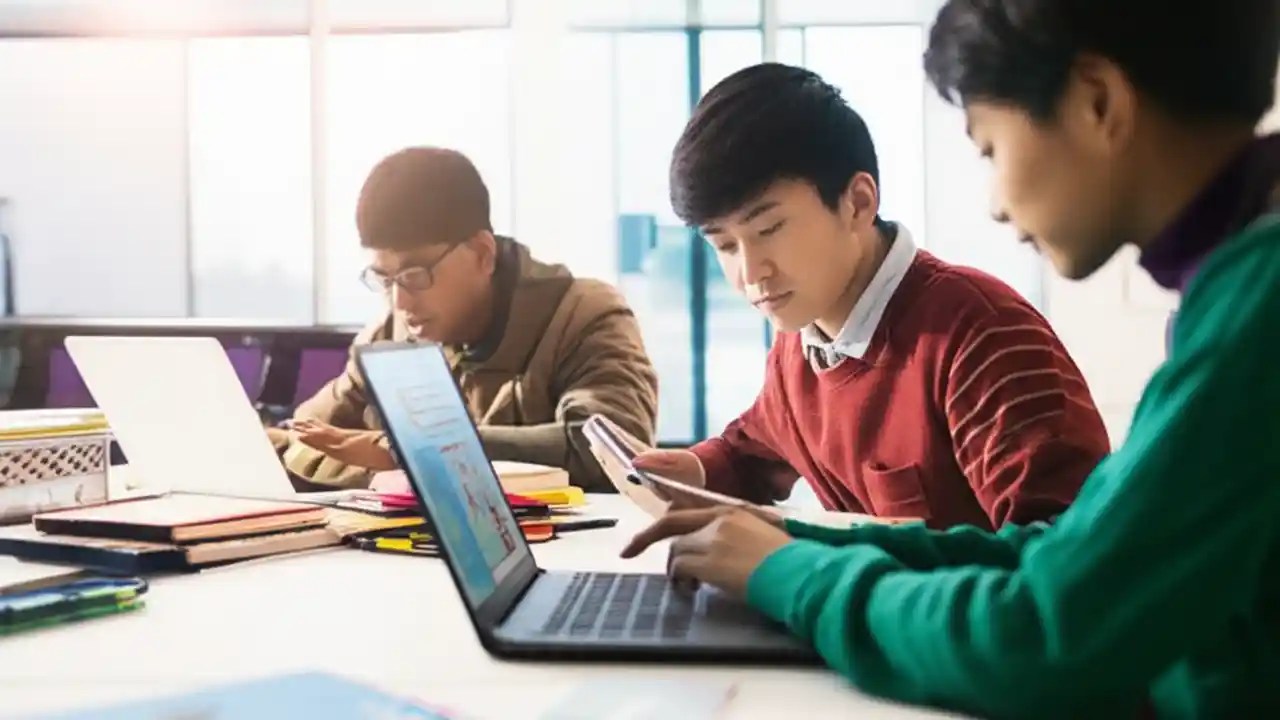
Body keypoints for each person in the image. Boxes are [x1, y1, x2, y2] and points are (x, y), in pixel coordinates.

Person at [623, 1, 1280, 716]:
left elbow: (1043, 629)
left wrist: (796, 576)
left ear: (1097, 102)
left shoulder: (1257, 311)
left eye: (989, 147)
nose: (996, 205)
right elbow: (1071, 563)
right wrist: (792, 544)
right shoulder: (1235, 289)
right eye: (723, 246)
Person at [632, 62, 1108, 531]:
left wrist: (804, 567)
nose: (751, 272)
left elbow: (1061, 556)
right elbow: (751, 452)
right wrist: (688, 472)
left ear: (858, 203)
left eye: (770, 228)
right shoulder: (804, 342)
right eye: (725, 245)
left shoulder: (981, 334)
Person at [278, 147, 659, 491]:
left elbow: (611, 454)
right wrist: (393, 471)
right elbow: (304, 439)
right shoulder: (388, 336)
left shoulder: (583, 315)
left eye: (415, 275)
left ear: (481, 253)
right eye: (385, 279)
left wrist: (416, 452)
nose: (400, 300)